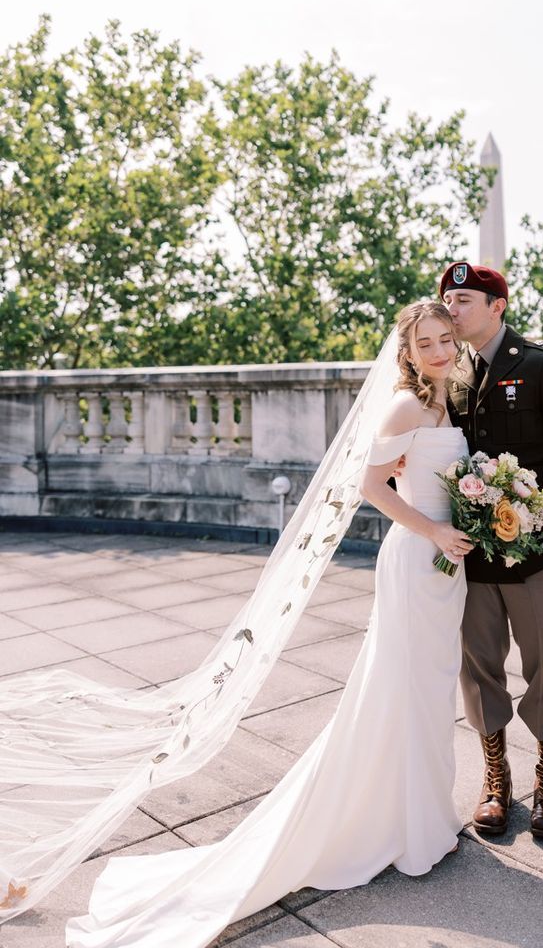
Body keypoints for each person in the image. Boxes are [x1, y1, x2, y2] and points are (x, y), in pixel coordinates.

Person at [64, 300, 473, 948]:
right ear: (407, 350)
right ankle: (408, 832)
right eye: (427, 343)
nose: (440, 351)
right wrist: (434, 529)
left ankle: (425, 819)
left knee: (428, 692)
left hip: (445, 568)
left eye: (446, 340)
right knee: (403, 690)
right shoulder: (403, 405)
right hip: (415, 558)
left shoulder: (446, 402)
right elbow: (371, 485)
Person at [440, 261, 543, 840]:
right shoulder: (450, 370)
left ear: (496, 306)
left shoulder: (542, 364)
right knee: (479, 665)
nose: (452, 311)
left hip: (539, 554)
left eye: (463, 301)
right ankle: (496, 779)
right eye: (448, 301)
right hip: (475, 556)